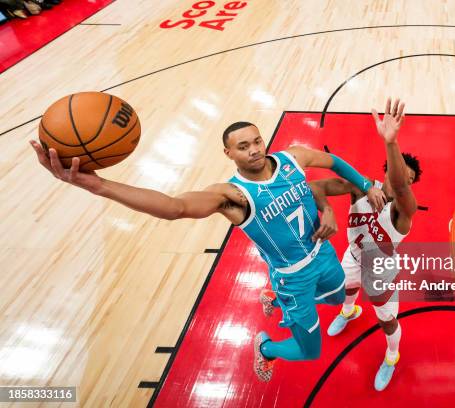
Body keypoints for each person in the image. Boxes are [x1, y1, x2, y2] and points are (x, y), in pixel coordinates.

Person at [29, 121, 386, 382]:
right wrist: (99, 185)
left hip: (323, 256)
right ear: (228, 153)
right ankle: (265, 348)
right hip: (292, 277)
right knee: (311, 352)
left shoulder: (293, 159)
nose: (254, 149)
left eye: (257, 141)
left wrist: (363, 186)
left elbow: (333, 164)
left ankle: (271, 298)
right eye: (243, 146)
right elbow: (174, 206)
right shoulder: (232, 196)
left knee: (338, 295)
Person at [309, 98, 422, 391]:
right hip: (353, 255)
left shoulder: (403, 212)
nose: (402, 181)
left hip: (381, 270)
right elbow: (315, 188)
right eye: (398, 173)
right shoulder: (360, 188)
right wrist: (329, 210)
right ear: (384, 171)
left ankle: (392, 355)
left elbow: (398, 187)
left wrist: (391, 141)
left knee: (387, 320)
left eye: (409, 180)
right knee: (346, 289)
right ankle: (349, 312)